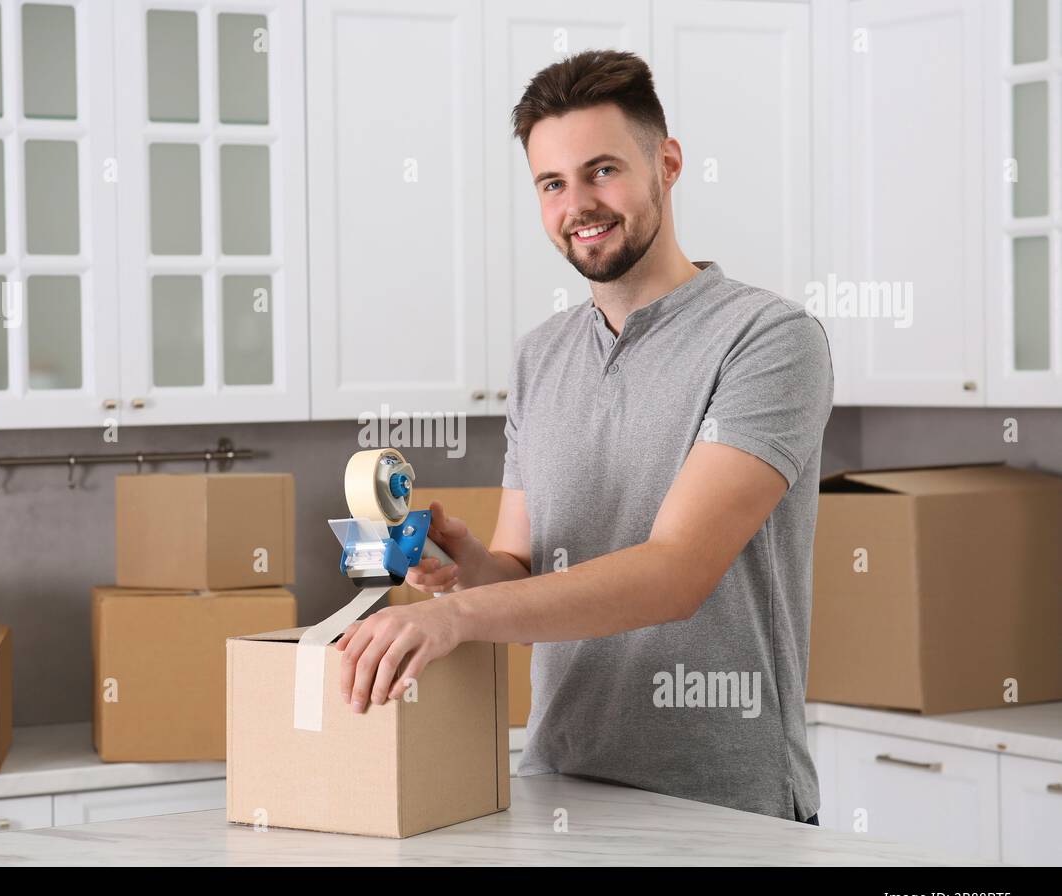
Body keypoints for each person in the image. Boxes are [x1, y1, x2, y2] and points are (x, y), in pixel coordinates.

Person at [336, 49, 832, 824]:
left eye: (604, 171)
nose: (580, 204)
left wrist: (454, 618)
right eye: (552, 184)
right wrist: (464, 568)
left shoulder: (769, 339)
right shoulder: (543, 354)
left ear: (666, 163)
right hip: (558, 787)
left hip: (724, 802)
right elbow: (521, 575)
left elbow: (677, 574)